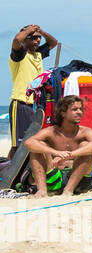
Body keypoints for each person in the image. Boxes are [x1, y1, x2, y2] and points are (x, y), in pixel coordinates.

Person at [23, 95, 92, 198]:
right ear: (63, 113)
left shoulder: (85, 132)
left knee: (86, 146)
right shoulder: (51, 132)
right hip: (54, 179)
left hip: (79, 182)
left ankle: (68, 191)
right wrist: (55, 152)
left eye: (81, 109)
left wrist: (69, 155)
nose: (79, 112)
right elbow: (29, 142)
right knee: (39, 145)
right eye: (74, 109)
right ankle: (42, 190)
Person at [9, 24, 58, 158]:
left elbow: (53, 42)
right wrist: (28, 30)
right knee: (18, 144)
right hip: (21, 104)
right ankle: (6, 172)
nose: (38, 40)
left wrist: (41, 31)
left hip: (36, 105)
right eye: (34, 38)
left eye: (39, 38)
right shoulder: (19, 55)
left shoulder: (38, 55)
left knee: (34, 141)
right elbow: (16, 41)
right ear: (26, 39)